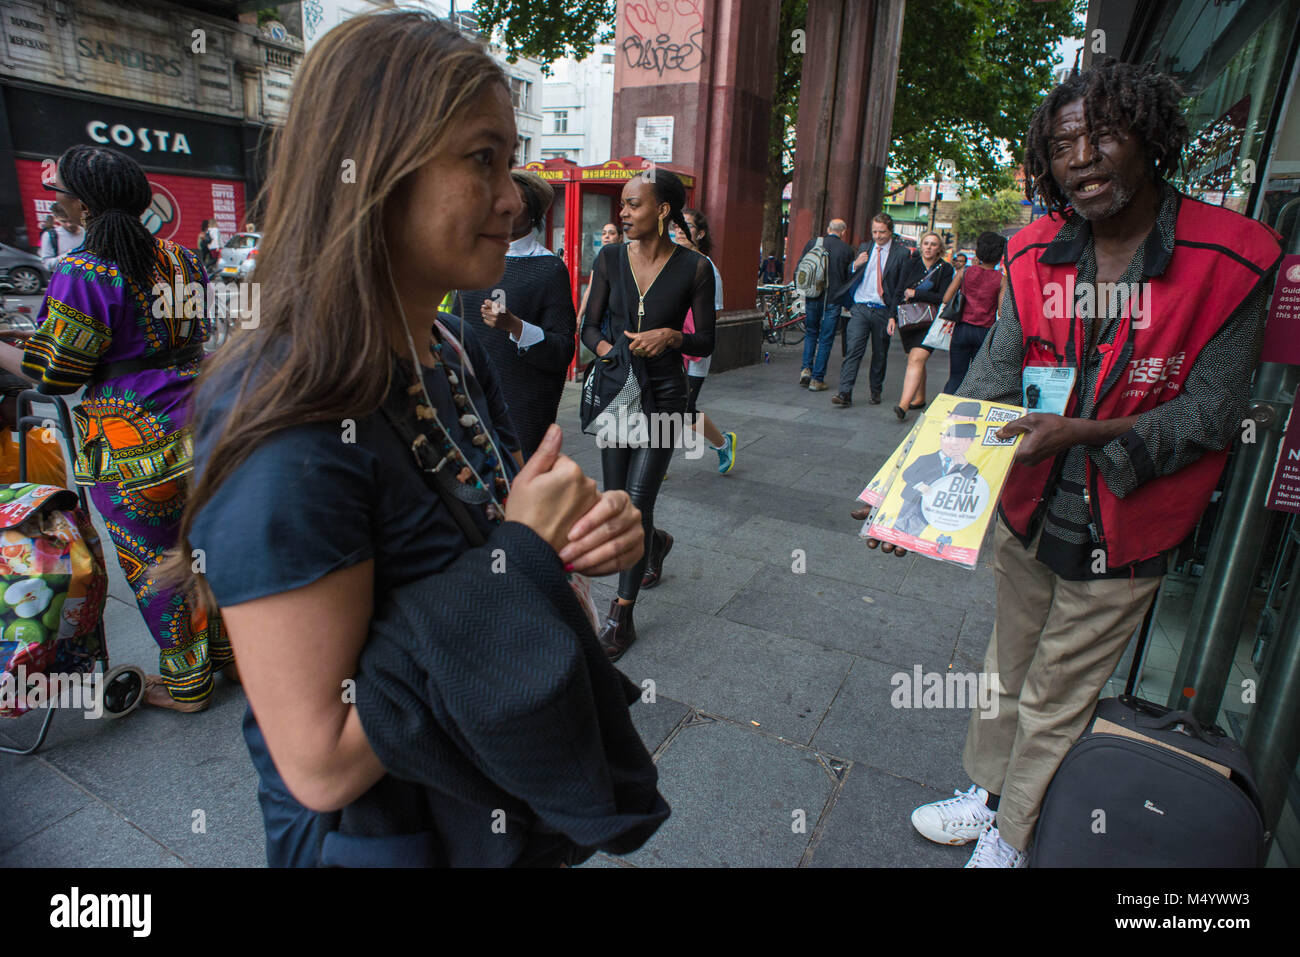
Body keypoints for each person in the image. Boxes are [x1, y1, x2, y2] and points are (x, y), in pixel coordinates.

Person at [177, 10, 660, 867]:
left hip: (482, 801)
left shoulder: (443, 343)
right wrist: (521, 549)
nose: (513, 198)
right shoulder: (290, 415)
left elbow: (492, 524)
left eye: (509, 161)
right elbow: (320, 761)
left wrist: (572, 537)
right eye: (482, 160)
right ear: (372, 167)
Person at [909, 60, 1281, 867]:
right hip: (1028, 515)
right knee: (1005, 670)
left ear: (1150, 139)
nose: (1080, 156)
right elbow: (991, 382)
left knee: (1058, 692)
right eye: (1064, 142)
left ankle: (1012, 838)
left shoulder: (1236, 259)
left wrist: (1078, 434)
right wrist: (910, 498)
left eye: (1102, 134)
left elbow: (1211, 414)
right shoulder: (1032, 251)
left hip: (1130, 525)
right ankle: (988, 795)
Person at [0, 144, 226, 712]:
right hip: (205, 418)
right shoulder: (181, 259)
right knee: (206, 547)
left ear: (83, 204)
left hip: (129, 440)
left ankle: (186, 685)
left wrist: (14, 350)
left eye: (62, 197)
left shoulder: (84, 270)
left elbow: (55, 373)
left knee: (155, 564)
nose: (59, 206)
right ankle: (230, 655)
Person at [581, 169, 715, 660]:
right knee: (619, 504)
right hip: (618, 390)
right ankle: (654, 542)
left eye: (633, 205)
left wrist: (673, 337)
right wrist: (606, 349)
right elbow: (589, 325)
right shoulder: (611, 258)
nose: (623, 213)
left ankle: (622, 615)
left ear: (662, 210)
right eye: (622, 205)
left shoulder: (695, 267)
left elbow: (706, 340)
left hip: (664, 394)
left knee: (635, 503)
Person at [458, 170, 575, 458]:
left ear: (533, 213)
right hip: (468, 395)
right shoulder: (470, 258)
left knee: (515, 488)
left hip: (520, 404)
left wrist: (515, 326)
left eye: (516, 201)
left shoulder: (548, 268)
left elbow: (563, 349)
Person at [828, 212, 910, 407]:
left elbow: (900, 287)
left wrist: (893, 316)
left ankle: (876, 390)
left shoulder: (901, 253)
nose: (878, 236)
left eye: (882, 232)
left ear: (890, 231)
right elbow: (851, 271)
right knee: (853, 350)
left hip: (883, 309)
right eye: (874, 232)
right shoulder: (865, 248)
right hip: (861, 307)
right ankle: (844, 392)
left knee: (880, 353)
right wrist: (855, 265)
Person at [888, 231, 954, 420]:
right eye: (926, 243)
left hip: (930, 322)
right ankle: (920, 397)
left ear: (939, 248)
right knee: (915, 359)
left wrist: (917, 293)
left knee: (916, 359)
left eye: (933, 244)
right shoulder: (911, 264)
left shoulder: (945, 268)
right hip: (909, 320)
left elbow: (943, 297)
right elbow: (899, 291)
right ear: (921, 245)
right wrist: (892, 317)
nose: (929, 247)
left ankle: (903, 405)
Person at [797, 218, 855, 392]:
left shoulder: (813, 243)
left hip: (813, 296)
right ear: (843, 232)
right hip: (833, 299)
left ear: (828, 229)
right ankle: (817, 379)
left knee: (811, 333)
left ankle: (806, 369)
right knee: (826, 339)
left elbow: (801, 267)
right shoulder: (846, 250)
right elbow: (848, 277)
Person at [945, 232, 1006, 394]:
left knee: (956, 377)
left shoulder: (965, 272)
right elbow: (1002, 310)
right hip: (984, 333)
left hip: (961, 330)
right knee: (979, 378)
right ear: (1000, 255)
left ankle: (943, 413)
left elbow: (946, 298)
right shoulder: (1001, 279)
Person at [38, 205, 84, 272]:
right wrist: (68, 255)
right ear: (56, 219)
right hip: (65, 278)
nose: (69, 224)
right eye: (64, 221)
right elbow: (47, 264)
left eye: (71, 221)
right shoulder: (50, 236)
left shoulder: (87, 232)